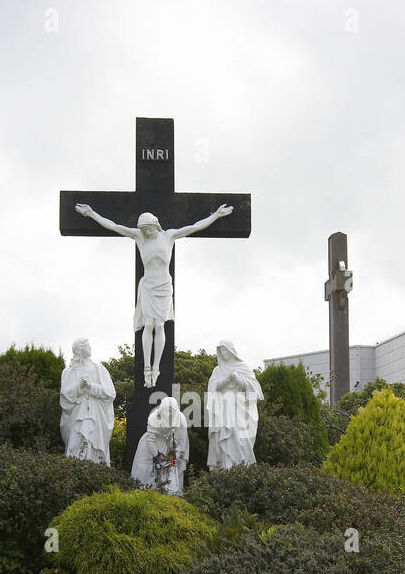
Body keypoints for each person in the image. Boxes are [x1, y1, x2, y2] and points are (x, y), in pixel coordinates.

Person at [74, 201, 234, 387]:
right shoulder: (139, 238)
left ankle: (156, 367)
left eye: (149, 229)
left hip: (164, 285)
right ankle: (146, 368)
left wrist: (216, 215)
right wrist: (92, 213)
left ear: (155, 225)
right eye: (144, 229)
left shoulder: (169, 236)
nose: (147, 232)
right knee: (148, 324)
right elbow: (115, 226)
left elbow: (195, 227)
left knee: (160, 325)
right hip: (149, 285)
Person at [206, 340, 263, 470]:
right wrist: (226, 379)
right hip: (223, 409)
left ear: (231, 350)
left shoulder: (243, 367)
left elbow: (254, 389)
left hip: (241, 409)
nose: (223, 353)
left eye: (225, 350)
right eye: (221, 351)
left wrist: (238, 379)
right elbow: (212, 388)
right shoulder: (217, 370)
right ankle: (226, 469)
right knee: (225, 437)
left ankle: (240, 468)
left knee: (239, 437)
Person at [59, 338, 116, 465]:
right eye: (86, 345)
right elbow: (65, 394)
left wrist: (91, 386)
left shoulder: (100, 369)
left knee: (95, 444)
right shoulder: (68, 372)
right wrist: (79, 386)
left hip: (96, 415)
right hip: (78, 416)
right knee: (76, 443)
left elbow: (110, 393)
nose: (90, 347)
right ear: (79, 350)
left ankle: (95, 473)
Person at [130, 396, 190, 495]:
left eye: (172, 411)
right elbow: (150, 439)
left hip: (166, 446)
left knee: (167, 472)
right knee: (147, 470)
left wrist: (174, 457)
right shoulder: (154, 417)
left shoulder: (180, 419)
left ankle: (166, 496)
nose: (170, 414)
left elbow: (181, 442)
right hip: (149, 447)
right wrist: (157, 456)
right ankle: (142, 494)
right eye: (167, 411)